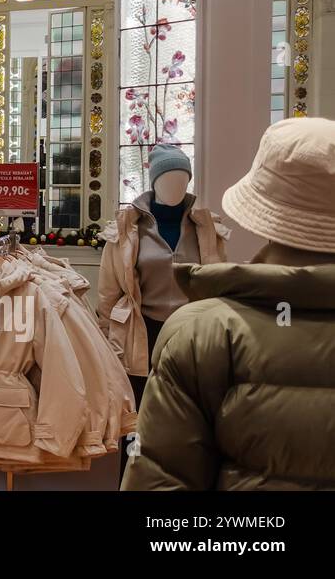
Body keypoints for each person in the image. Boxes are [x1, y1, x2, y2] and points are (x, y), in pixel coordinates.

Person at [121, 117, 335, 490]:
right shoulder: (127, 232)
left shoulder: (204, 335)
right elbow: (114, 288)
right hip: (144, 329)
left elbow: (162, 481)